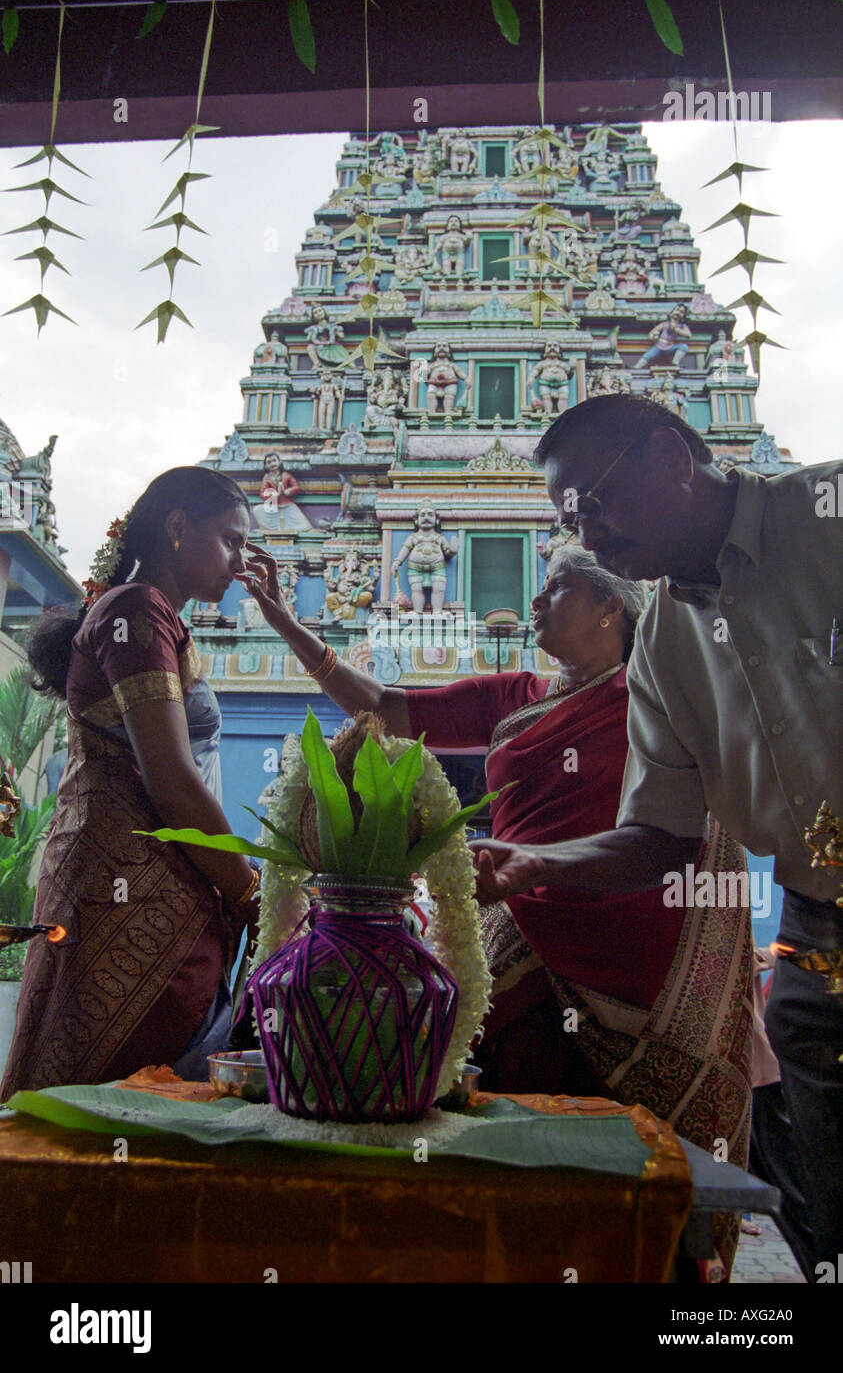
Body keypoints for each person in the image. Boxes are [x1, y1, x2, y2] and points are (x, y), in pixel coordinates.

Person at [237, 538, 755, 1277]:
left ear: (611, 605)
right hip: (514, 929)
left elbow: (680, 825)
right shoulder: (515, 696)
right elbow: (384, 709)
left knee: (633, 1170)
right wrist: (283, 619)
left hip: (640, 947)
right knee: (506, 1131)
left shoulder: (662, 693)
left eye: (559, 587)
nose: (537, 600)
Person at [472, 392, 842, 1279]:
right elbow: (657, 835)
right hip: (817, 940)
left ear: (671, 457)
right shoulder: (667, 643)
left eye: (594, 502)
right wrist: (531, 864)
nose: (585, 533)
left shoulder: (826, 518)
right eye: (567, 517)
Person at [0, 467, 261, 1100]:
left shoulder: (156, 618)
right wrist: (251, 889)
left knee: (129, 1111)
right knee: (117, 1106)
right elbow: (171, 779)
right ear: (176, 528)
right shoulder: (136, 610)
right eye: (230, 539)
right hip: (126, 887)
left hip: (146, 882)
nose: (241, 560)